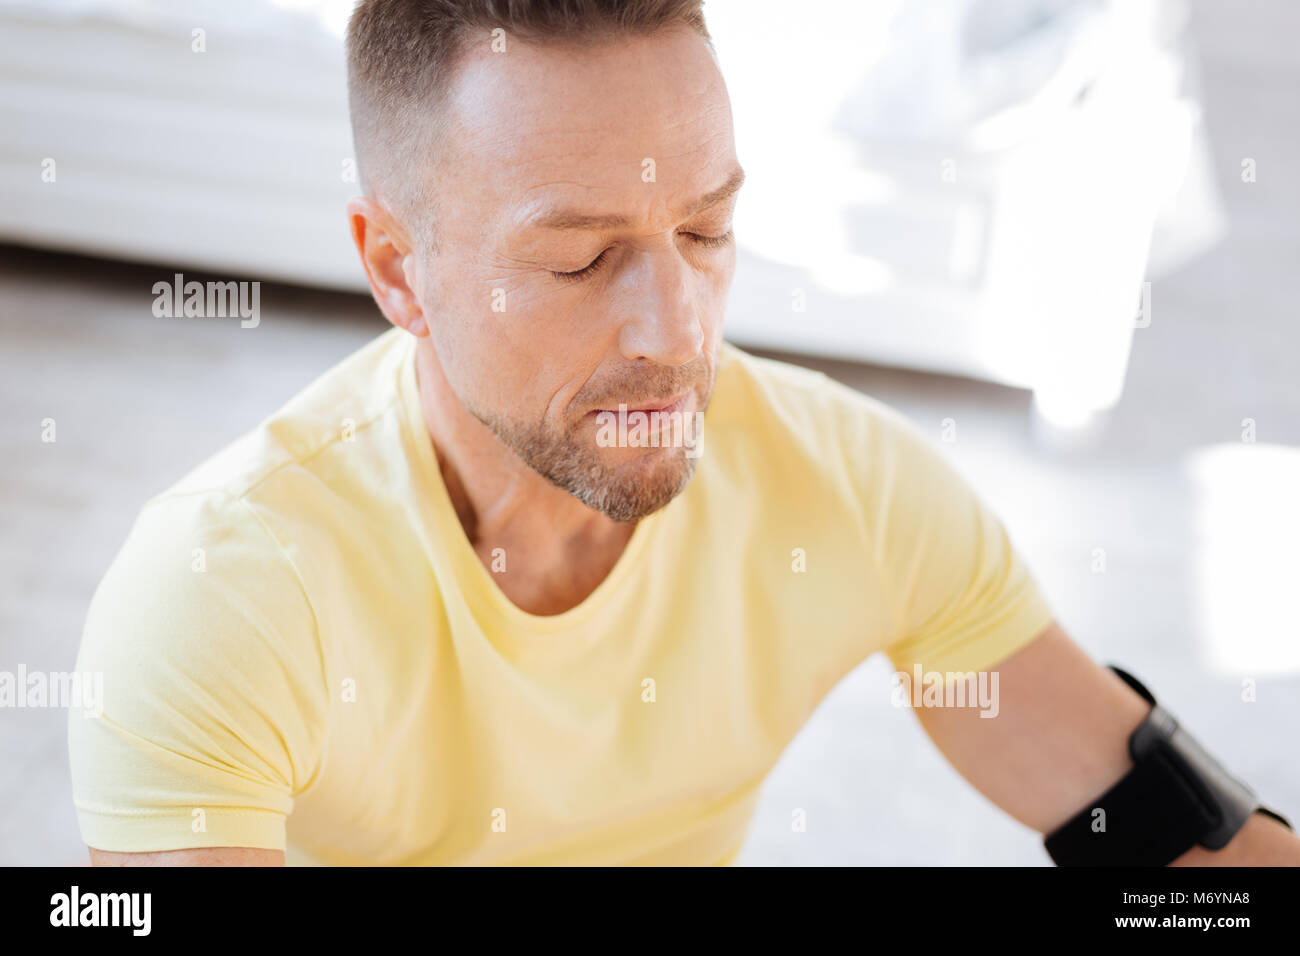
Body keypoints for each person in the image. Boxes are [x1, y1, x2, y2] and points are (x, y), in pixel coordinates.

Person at [68, 0, 1299, 866]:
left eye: (704, 233)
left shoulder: (852, 489)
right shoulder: (221, 590)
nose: (675, 328)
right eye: (580, 256)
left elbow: (1160, 834)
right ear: (396, 266)